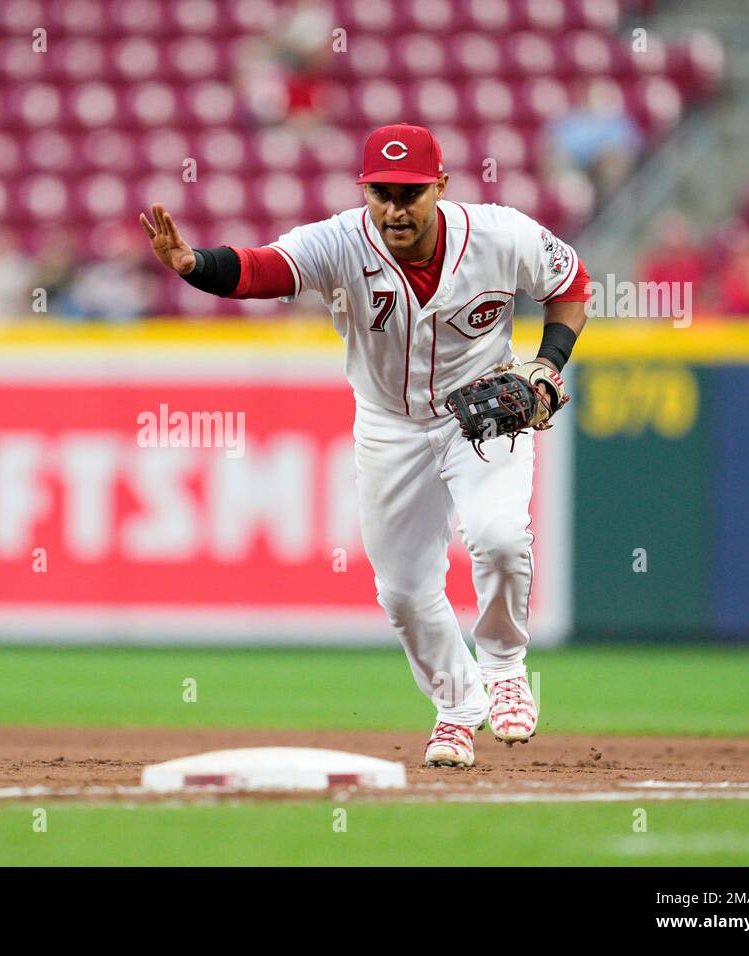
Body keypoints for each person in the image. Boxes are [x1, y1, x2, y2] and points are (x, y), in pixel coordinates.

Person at [140, 124, 591, 768]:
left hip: (484, 415)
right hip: (389, 427)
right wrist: (194, 265)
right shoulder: (341, 241)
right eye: (381, 192)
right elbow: (263, 270)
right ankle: (458, 709)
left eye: (409, 193)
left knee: (497, 536)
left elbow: (571, 284)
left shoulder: (500, 235)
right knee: (404, 590)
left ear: (440, 185)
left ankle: (505, 669)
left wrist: (548, 366)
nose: (394, 208)